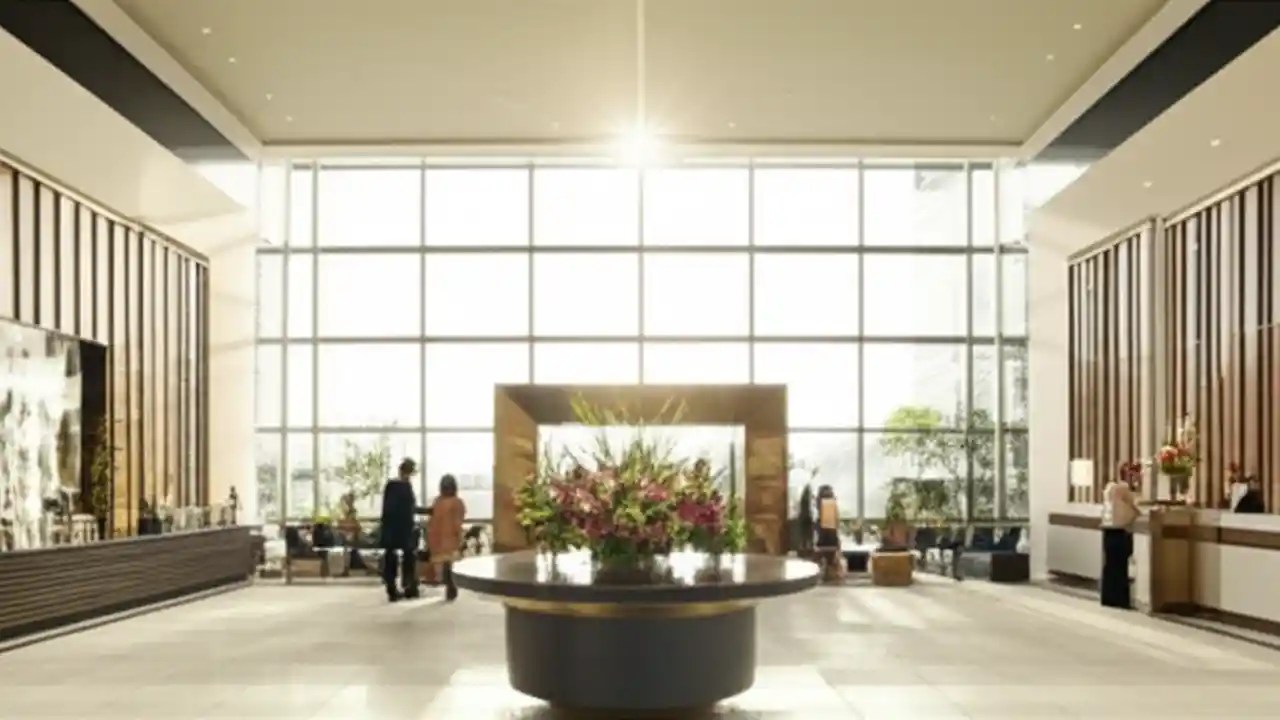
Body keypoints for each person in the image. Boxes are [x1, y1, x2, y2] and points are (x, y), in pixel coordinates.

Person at [379, 458, 428, 602]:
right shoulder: (405, 487)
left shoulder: (390, 486)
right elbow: (410, 509)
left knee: (391, 558)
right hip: (403, 529)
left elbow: (387, 510)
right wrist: (427, 511)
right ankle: (409, 586)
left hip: (390, 529)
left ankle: (392, 589)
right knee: (408, 557)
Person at [1100, 463, 1141, 609]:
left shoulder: (1109, 487)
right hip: (1121, 530)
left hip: (1108, 529)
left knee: (1110, 565)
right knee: (1120, 566)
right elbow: (1137, 504)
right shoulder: (1123, 489)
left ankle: (1108, 597)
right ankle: (1119, 599)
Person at [428, 474, 467, 602]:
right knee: (451, 564)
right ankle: (451, 588)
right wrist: (460, 536)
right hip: (451, 538)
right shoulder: (457, 502)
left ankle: (448, 587)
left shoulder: (437, 502)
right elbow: (458, 521)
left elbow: (432, 521)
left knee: (444, 565)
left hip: (438, 538)